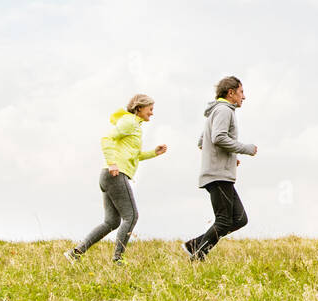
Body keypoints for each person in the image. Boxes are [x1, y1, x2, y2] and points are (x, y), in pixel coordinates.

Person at [67, 94, 166, 264]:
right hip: (114, 174)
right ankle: (118, 259)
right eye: (150, 109)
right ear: (140, 107)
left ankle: (76, 252)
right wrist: (112, 163)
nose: (152, 113)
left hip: (109, 175)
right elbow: (107, 139)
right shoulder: (129, 122)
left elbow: (134, 155)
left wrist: (153, 153)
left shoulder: (135, 125)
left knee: (112, 222)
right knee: (132, 216)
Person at [183, 76, 257, 261]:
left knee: (240, 219)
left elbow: (203, 141)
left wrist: (230, 156)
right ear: (230, 93)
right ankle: (198, 256)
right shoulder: (224, 110)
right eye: (241, 92)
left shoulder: (217, 111)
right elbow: (218, 138)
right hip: (218, 175)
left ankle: (195, 244)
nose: (244, 97)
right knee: (224, 221)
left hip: (220, 173)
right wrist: (245, 149)